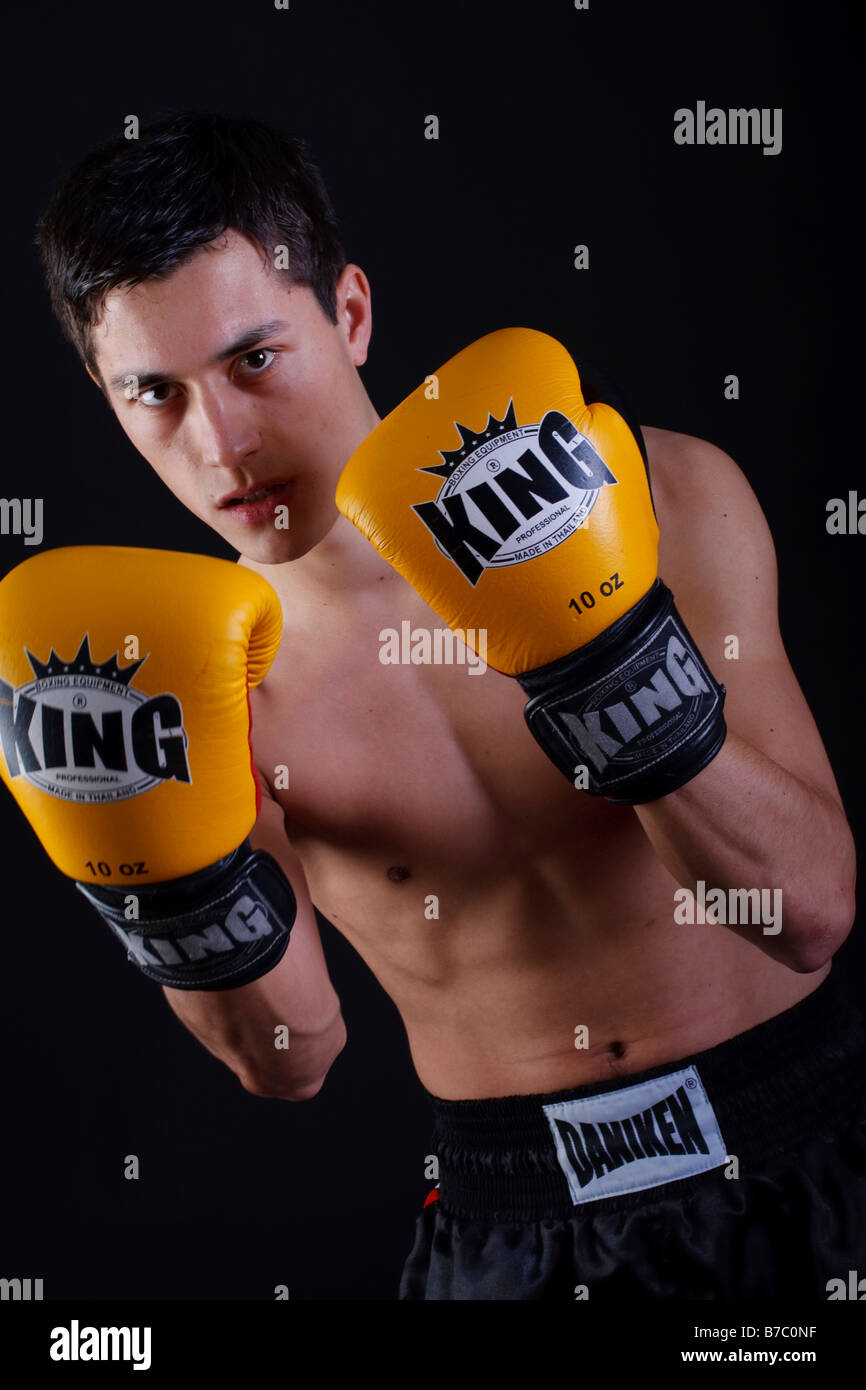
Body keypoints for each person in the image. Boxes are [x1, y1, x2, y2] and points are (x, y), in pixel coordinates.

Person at [26, 110, 865, 1299]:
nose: (220, 442)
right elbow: (291, 1059)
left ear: (351, 314)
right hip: (513, 1228)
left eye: (253, 360)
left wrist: (602, 661)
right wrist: (164, 888)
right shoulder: (192, 694)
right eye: (151, 392)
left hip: (808, 1149)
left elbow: (810, 912)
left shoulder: (652, 491)